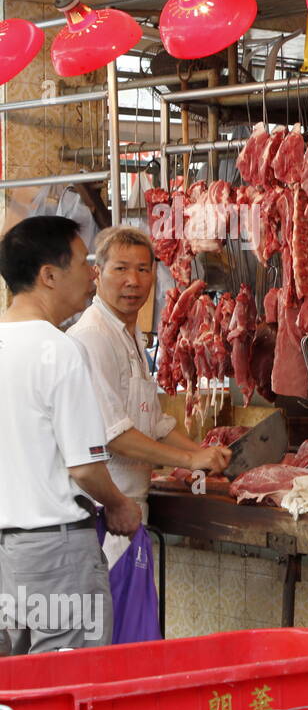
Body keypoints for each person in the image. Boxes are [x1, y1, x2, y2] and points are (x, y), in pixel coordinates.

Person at [0, 216, 140, 654]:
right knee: (68, 684)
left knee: (16, 690)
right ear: (48, 275)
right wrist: (119, 504)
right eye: (84, 262)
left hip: (6, 554)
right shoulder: (58, 349)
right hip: (55, 552)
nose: (92, 274)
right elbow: (84, 467)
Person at [68, 226, 231, 565]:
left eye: (143, 270)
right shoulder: (93, 337)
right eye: (121, 269)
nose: (133, 280)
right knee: (109, 615)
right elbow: (113, 435)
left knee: (128, 615)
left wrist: (204, 453)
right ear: (98, 274)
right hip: (98, 516)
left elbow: (153, 421)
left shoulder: (130, 336)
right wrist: (189, 461)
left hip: (127, 510)